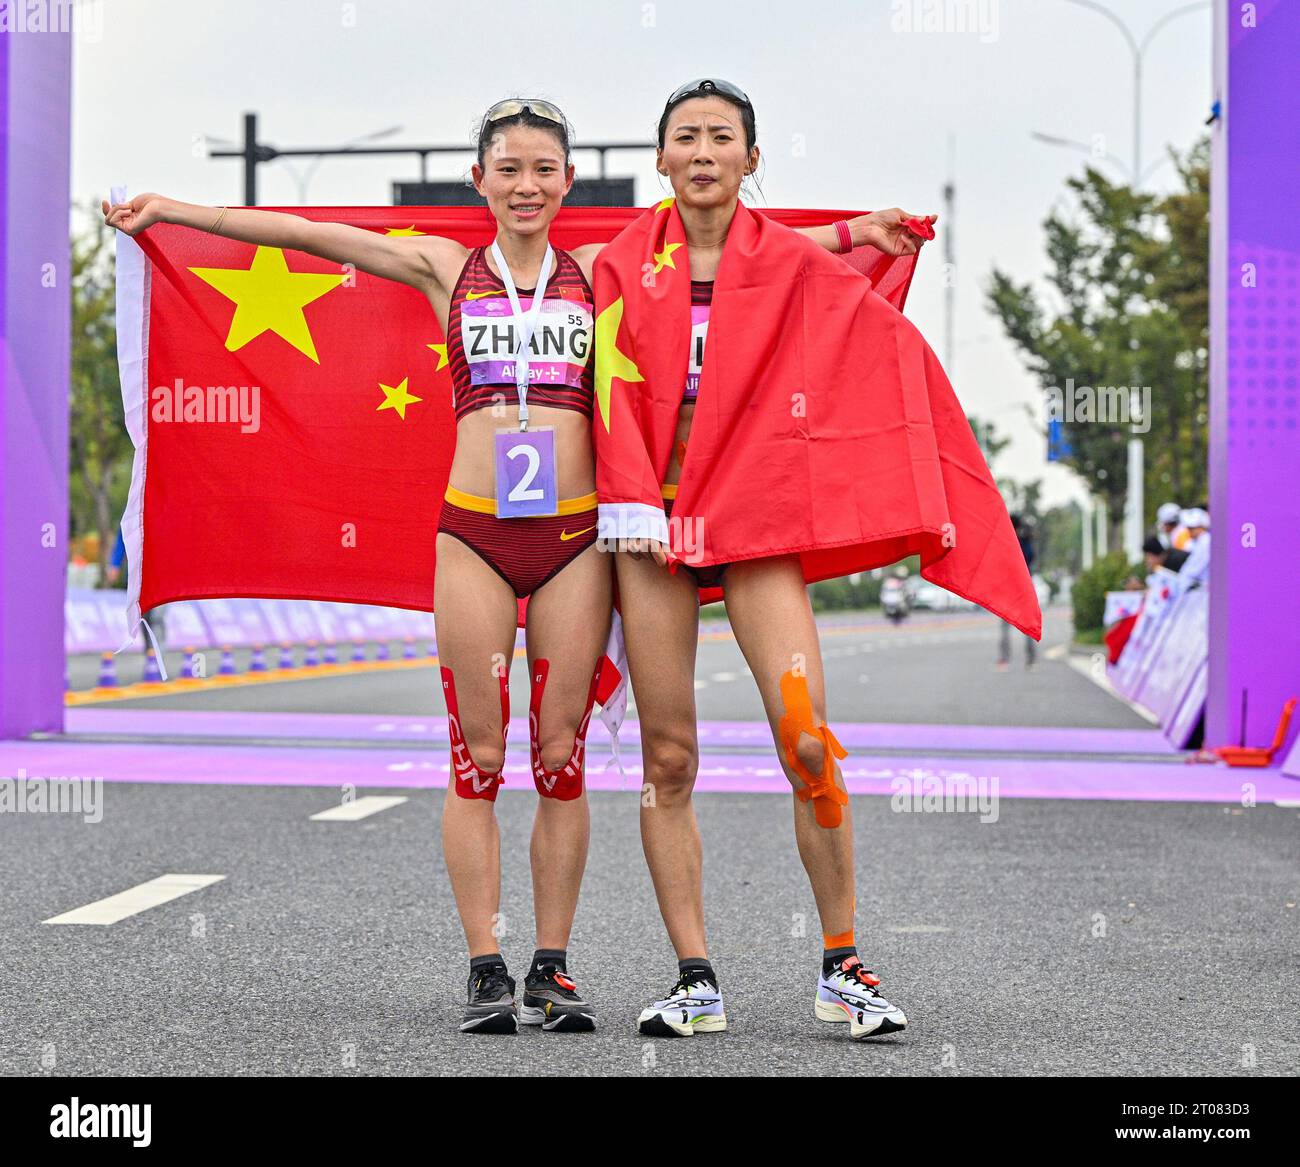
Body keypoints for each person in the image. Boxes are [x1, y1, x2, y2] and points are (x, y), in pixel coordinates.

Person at [105, 99, 615, 1036]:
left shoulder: (606, 270)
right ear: (480, 181)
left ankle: (554, 965)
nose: (527, 185)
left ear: (567, 181)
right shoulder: (442, 266)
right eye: (508, 169)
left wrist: (854, 238)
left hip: (574, 542)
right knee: (481, 755)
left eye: (544, 169)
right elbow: (306, 234)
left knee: (559, 755)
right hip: (473, 534)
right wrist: (175, 212)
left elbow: (743, 256)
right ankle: (486, 968)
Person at [591, 77, 1037, 1041]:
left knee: (807, 742)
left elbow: (814, 261)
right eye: (685, 138)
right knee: (668, 758)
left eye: (722, 138)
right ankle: (695, 978)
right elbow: (510, 267)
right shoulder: (616, 266)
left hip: (754, 522)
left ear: (753, 162)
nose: (703, 151)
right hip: (649, 527)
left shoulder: (787, 264)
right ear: (659, 161)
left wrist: (861, 232)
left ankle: (843, 965)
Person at [997, 514, 1037, 669]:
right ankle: (1030, 659)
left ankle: (1005, 658)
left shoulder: (1004, 540)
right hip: (1022, 587)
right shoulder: (1021, 540)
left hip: (1009, 586)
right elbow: (1031, 558)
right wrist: (1027, 539)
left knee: (1006, 626)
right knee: (1026, 624)